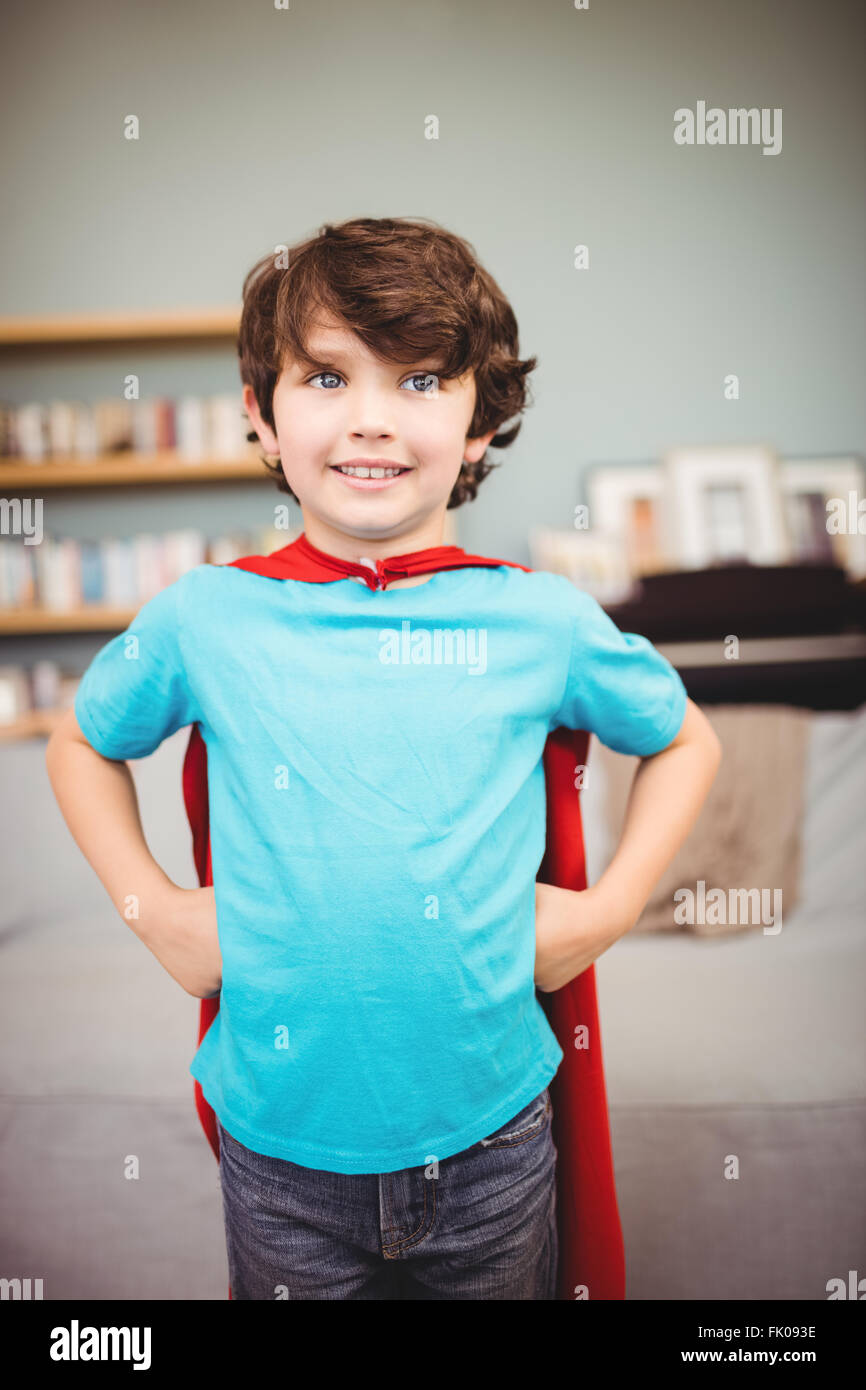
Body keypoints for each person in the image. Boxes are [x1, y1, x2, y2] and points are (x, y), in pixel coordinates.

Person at [45, 215, 722, 1300]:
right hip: (280, 1158)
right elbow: (81, 740)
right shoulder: (205, 617)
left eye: (418, 380)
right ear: (260, 416)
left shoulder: (538, 619)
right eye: (323, 376)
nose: (368, 419)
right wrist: (154, 909)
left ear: (477, 423)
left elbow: (683, 736)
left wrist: (604, 911)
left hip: (494, 1144)